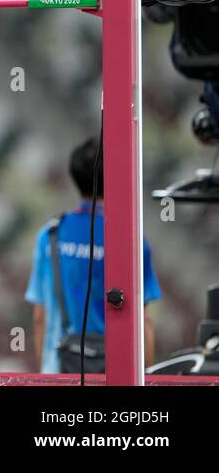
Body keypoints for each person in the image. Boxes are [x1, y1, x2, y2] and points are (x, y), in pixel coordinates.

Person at [25, 137, 161, 373]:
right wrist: (145, 376)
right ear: (119, 175)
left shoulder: (51, 235)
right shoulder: (131, 240)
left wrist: (47, 371)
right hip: (116, 372)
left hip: (60, 368)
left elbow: (40, 316)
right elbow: (144, 322)